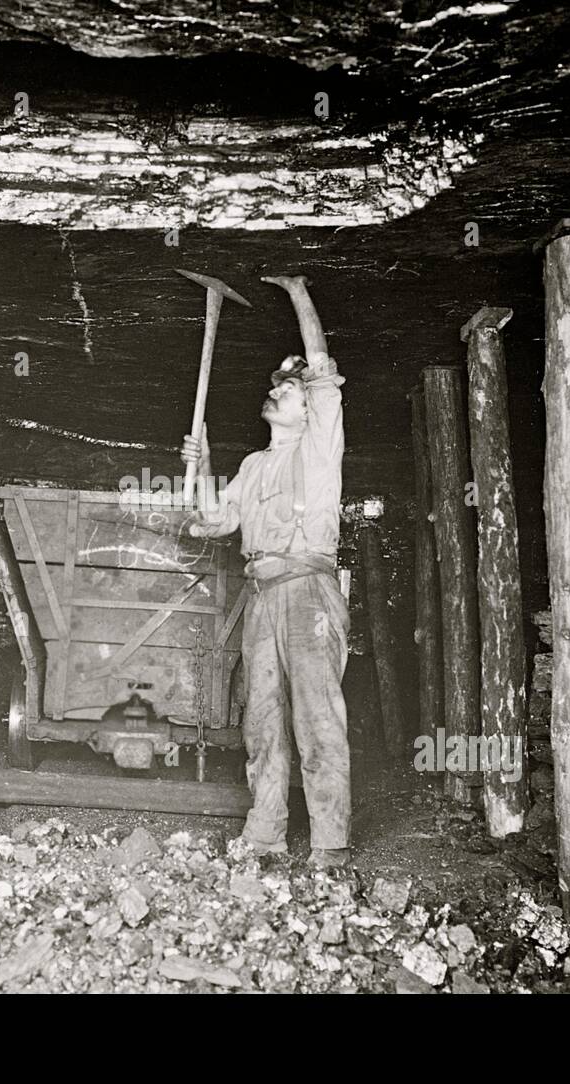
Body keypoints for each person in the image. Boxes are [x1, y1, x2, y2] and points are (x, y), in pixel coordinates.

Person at [180, 274, 351, 869]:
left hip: (308, 593)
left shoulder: (319, 449)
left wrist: (301, 293)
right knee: (262, 719)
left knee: (317, 716)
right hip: (262, 595)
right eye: (275, 386)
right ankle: (265, 833)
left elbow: (324, 371)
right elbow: (211, 524)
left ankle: (330, 844)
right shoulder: (253, 466)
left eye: (289, 389)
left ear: (309, 409)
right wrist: (199, 469)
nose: (277, 392)